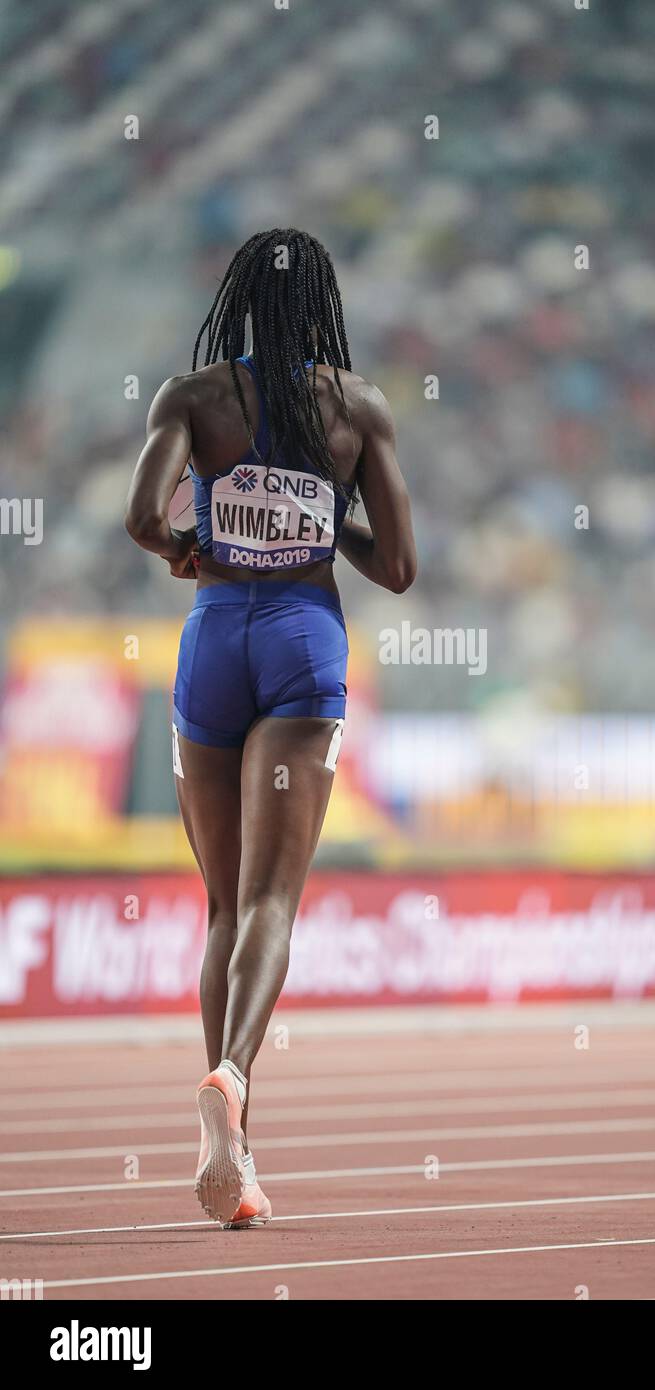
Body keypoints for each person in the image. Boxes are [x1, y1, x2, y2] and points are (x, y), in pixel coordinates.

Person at [125, 228, 416, 1227]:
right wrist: (318, 514)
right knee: (271, 905)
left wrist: (184, 547)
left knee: (220, 907)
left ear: (238, 302)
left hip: (213, 643)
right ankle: (233, 1079)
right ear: (325, 308)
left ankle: (235, 1152)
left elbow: (136, 516)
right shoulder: (357, 407)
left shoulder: (192, 397)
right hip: (300, 644)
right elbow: (400, 568)